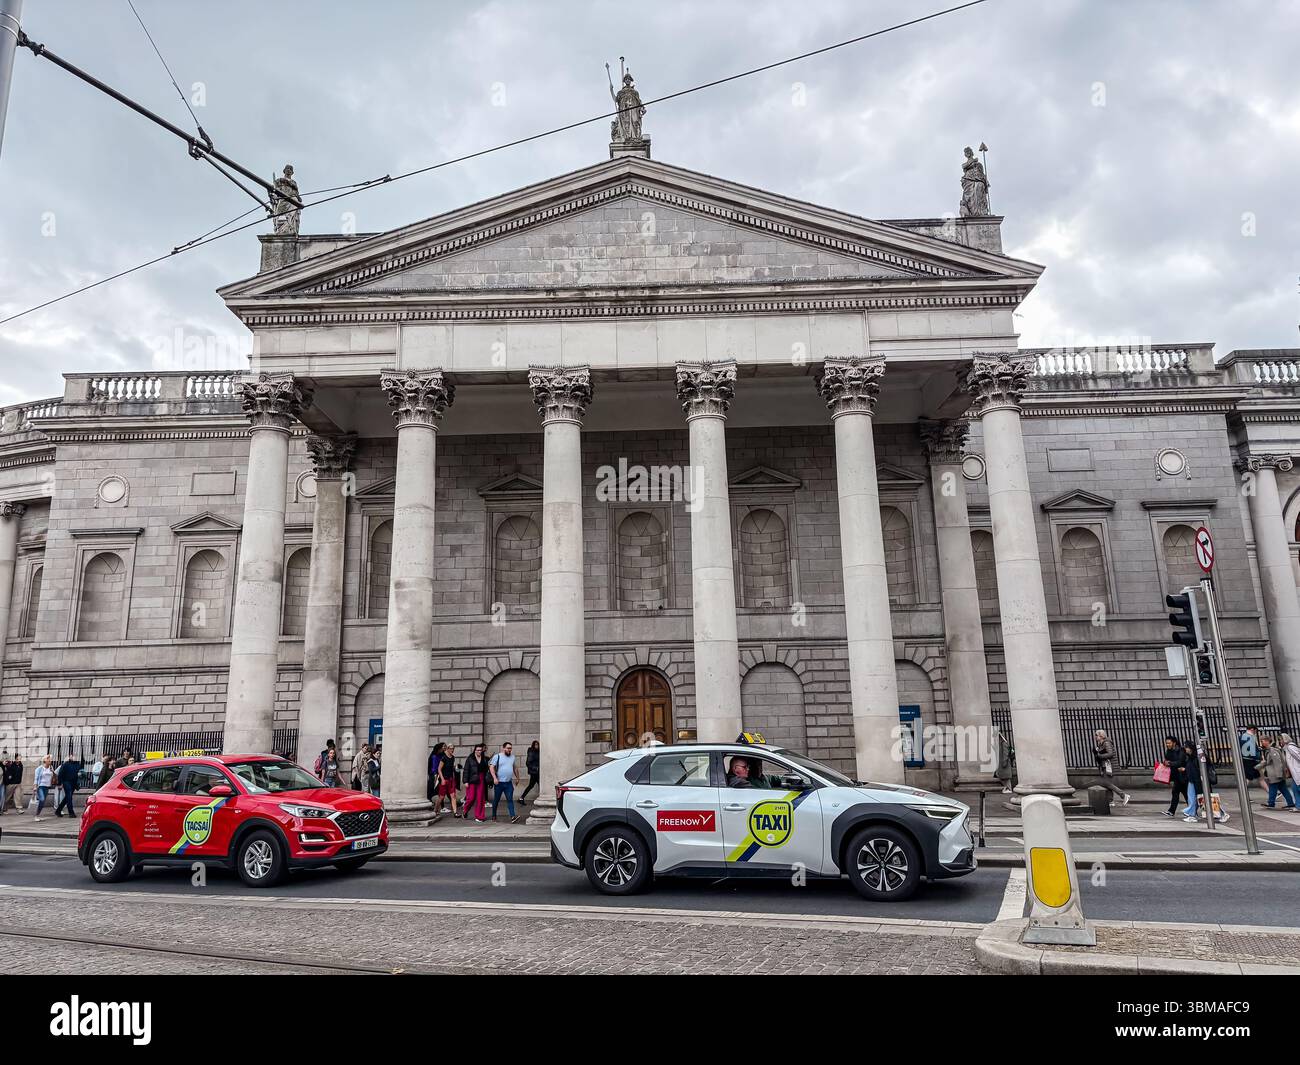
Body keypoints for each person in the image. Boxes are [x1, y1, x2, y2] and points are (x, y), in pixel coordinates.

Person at [1259, 735, 1297, 810]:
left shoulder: (1272, 750)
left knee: (1273, 788)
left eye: (1262, 741)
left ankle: (1271, 803)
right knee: (1283, 789)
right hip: (1276, 773)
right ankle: (1290, 803)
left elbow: (1278, 763)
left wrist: (1279, 774)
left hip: (1275, 774)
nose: (1261, 743)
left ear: (1267, 741)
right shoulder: (1270, 749)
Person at [1092, 729, 1130, 805]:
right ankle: (1111, 801)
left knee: (1106, 783)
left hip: (1109, 766)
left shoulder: (1107, 743)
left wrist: (1099, 755)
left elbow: (1110, 754)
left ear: (1101, 736)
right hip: (1104, 765)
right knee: (1107, 783)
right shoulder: (1100, 744)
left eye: (1096, 735)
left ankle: (1123, 795)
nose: (1095, 736)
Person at [489, 741, 519, 823]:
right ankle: (494, 816)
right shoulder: (497, 756)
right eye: (508, 748)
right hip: (499, 783)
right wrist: (494, 778)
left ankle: (513, 816)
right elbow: (491, 767)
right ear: (504, 748)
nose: (510, 750)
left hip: (508, 783)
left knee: (510, 799)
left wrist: (517, 778)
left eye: (511, 748)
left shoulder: (512, 757)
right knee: (496, 800)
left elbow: (515, 768)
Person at [461, 743, 490, 822]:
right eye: (477, 750)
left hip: (481, 779)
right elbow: (466, 770)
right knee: (471, 798)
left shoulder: (484, 758)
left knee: (480, 798)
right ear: (475, 750)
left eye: (480, 750)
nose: (479, 751)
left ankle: (479, 816)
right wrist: (465, 781)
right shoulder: (470, 758)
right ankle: (465, 810)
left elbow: (487, 770)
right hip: (472, 780)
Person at [1162, 736, 1187, 817]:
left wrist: (1170, 763)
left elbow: (1180, 762)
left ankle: (1192, 811)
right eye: (1166, 743)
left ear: (1174, 743)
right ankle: (1172, 811)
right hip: (1176, 776)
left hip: (1183, 776)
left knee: (1185, 794)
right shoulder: (1168, 751)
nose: (1167, 744)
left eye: (1169, 743)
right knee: (1176, 793)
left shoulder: (1180, 751)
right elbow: (1168, 762)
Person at [434, 744, 459, 818]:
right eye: (451, 749)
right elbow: (439, 769)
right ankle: (435, 810)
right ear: (447, 749)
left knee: (453, 796)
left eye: (453, 749)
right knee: (441, 797)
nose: (452, 750)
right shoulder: (444, 758)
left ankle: (455, 812)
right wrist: (442, 779)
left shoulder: (453, 757)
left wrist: (455, 768)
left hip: (451, 779)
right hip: (444, 779)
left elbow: (452, 768)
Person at [55, 754, 82, 818]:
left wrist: (80, 774)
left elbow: (80, 773)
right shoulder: (65, 764)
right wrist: (59, 784)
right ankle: (71, 812)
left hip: (73, 783)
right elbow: (60, 774)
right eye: (73, 756)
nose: (74, 757)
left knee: (67, 797)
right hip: (66, 782)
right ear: (70, 757)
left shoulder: (77, 765)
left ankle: (58, 810)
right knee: (69, 796)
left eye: (75, 756)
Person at [1279, 734, 1300, 809]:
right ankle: (1298, 806)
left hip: (1297, 771)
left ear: (1285, 739)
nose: (1280, 741)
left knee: (1297, 789)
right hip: (1295, 773)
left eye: (1281, 739)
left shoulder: (1291, 747)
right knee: (1295, 789)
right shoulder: (1286, 748)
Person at [32, 755, 55, 821]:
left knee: (42, 801)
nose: (50, 761)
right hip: (40, 786)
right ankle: (36, 815)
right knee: (42, 799)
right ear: (45, 760)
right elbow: (36, 778)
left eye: (50, 760)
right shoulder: (39, 769)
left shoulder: (51, 768)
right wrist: (35, 786)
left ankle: (37, 814)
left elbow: (53, 776)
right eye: (49, 760)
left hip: (47, 787)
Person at [1240, 726, 1263, 795]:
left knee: (1259, 778)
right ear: (1252, 729)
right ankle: (1243, 794)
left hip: (1245, 758)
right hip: (1251, 760)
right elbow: (1252, 751)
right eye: (1255, 731)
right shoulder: (1250, 737)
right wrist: (1259, 758)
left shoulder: (1241, 736)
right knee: (1249, 778)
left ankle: (1271, 793)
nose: (1255, 733)